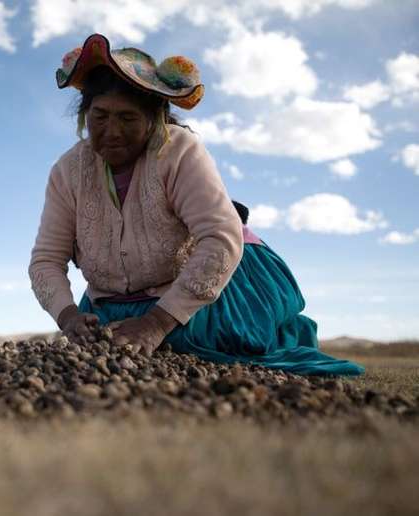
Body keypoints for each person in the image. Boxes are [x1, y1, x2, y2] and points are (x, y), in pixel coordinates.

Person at [28, 33, 362, 376]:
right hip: (113, 299)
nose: (112, 131)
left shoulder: (179, 150)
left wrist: (157, 323)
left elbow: (219, 237)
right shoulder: (68, 170)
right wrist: (68, 317)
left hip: (213, 277)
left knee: (202, 343)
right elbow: (46, 259)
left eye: (127, 118)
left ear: (154, 119)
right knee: (107, 348)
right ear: (85, 114)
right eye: (100, 117)